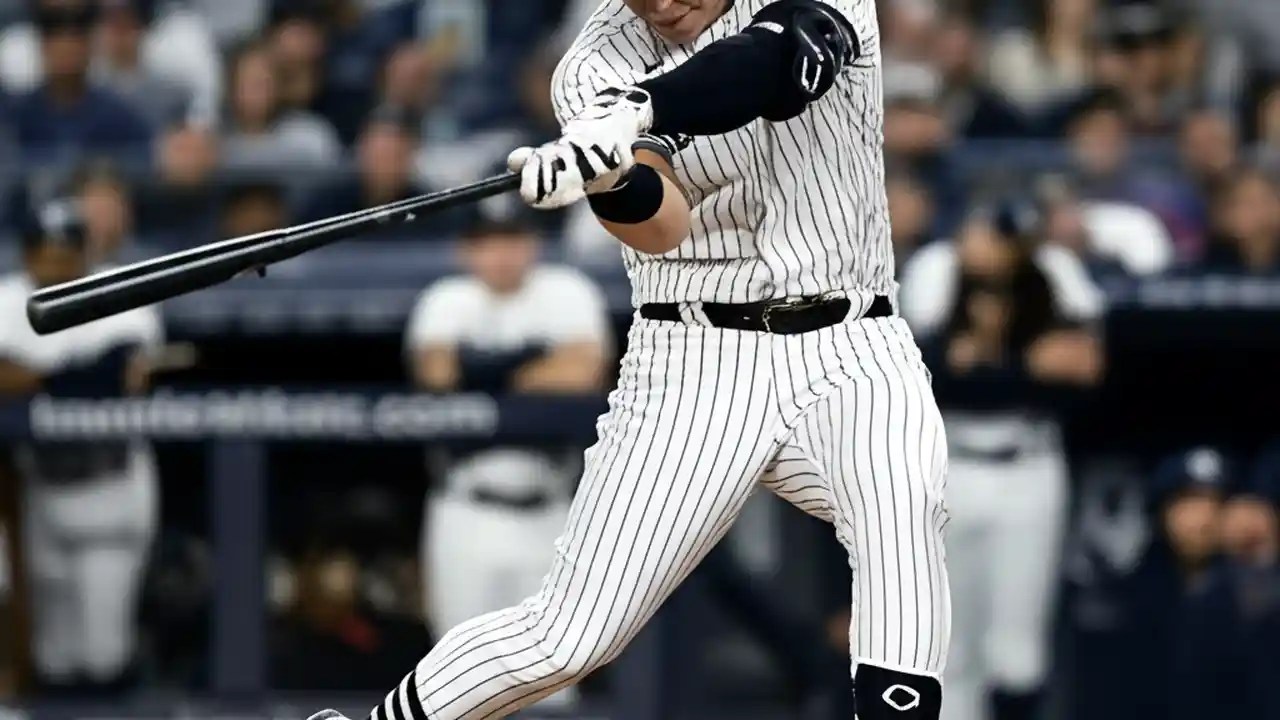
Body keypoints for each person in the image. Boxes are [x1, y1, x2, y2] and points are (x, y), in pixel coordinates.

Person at [313, 1, 952, 719]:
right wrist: (610, 176)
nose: (664, 4)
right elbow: (662, 221)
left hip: (853, 337)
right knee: (570, 638)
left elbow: (777, 62)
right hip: (695, 358)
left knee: (903, 508)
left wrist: (641, 108)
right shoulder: (593, 65)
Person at [404, 201, 610, 712]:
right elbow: (437, 375)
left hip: (551, 512)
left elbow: (583, 371)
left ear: (532, 243)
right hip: (466, 507)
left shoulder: (566, 291)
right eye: (487, 241)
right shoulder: (447, 298)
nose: (501, 253)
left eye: (512, 238)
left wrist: (487, 376)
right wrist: (532, 367)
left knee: (556, 677)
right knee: (455, 680)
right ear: (466, 249)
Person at [901, 202, 1102, 720]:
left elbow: (1084, 374)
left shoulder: (1055, 271)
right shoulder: (936, 268)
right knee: (949, 648)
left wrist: (987, 366)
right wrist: (1026, 366)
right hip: (951, 466)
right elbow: (928, 377)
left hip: (1029, 465)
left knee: (1018, 655)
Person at [0, 197, 162, 696]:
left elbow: (125, 373)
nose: (54, 262)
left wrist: (37, 377)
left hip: (109, 486)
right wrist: (78, 374)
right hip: (40, 491)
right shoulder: (7, 299)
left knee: (101, 653)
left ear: (84, 252)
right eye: (43, 250)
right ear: (26, 253)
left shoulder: (123, 291)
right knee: (53, 656)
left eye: (65, 250)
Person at [7, 0, 153, 160]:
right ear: (43, 49)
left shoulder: (118, 116)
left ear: (89, 49)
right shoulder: (17, 115)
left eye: (75, 44)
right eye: (58, 44)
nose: (67, 55)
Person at [219, 41, 342, 173]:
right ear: (232, 87)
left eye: (264, 82)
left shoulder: (310, 136)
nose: (257, 92)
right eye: (248, 82)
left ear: (279, 85)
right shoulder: (216, 145)